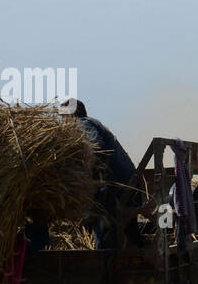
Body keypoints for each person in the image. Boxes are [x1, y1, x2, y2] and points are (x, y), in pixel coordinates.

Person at [58, 98, 139, 249]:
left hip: (114, 186)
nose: (62, 122)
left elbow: (96, 148)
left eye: (63, 117)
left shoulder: (82, 123)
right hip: (128, 183)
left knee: (105, 233)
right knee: (128, 234)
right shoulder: (91, 122)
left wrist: (85, 180)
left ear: (70, 115)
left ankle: (103, 268)